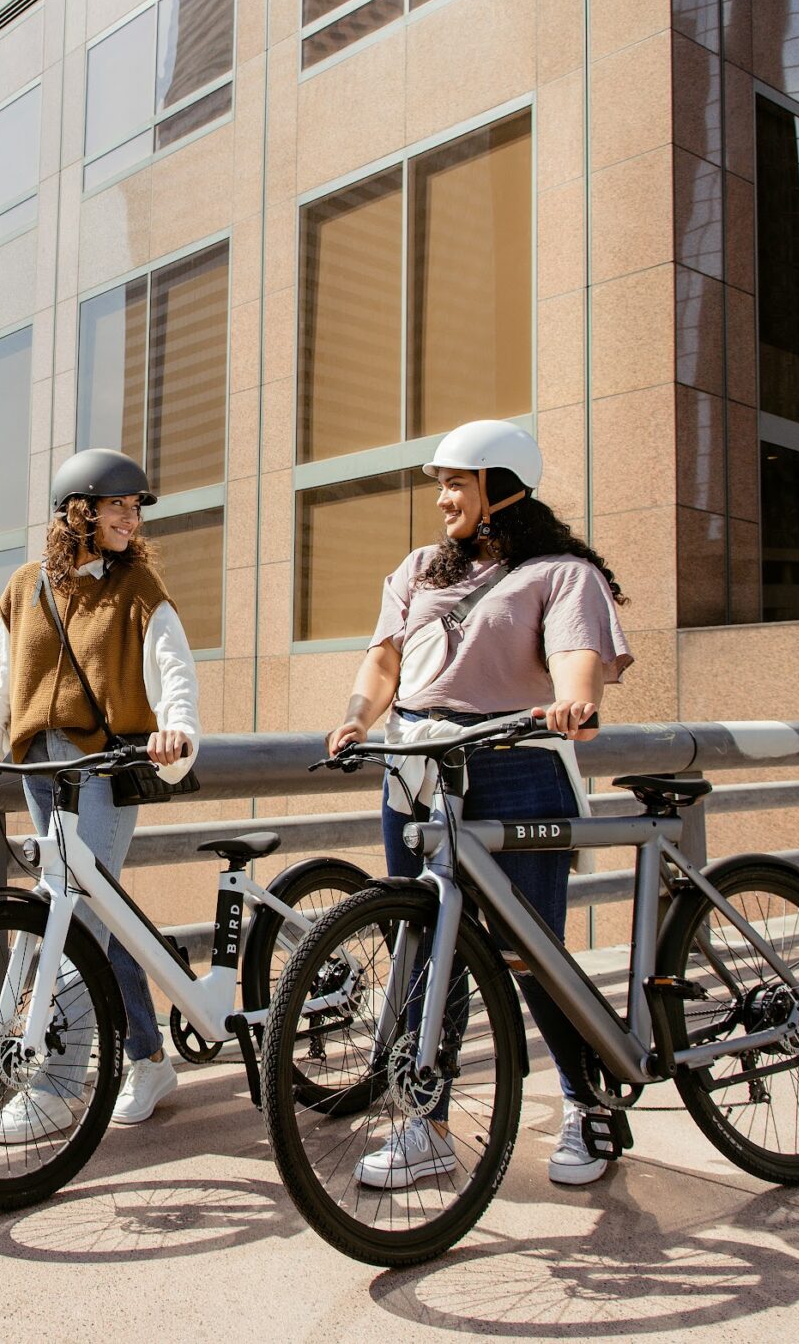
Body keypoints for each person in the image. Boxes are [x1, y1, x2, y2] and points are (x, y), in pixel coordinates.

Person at [324, 419, 633, 1190]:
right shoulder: (420, 569)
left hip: (515, 766)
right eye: (441, 485)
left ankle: (586, 1104)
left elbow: (577, 663)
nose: (444, 500)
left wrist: (572, 703)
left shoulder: (561, 574)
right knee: (423, 946)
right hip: (418, 768)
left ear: (501, 484)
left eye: (457, 483)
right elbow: (385, 657)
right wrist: (359, 719)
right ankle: (425, 1124)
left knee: (535, 953)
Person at [0, 448, 202, 1140]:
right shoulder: (25, 587)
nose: (131, 517)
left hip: (105, 769)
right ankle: (148, 1060)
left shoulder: (137, 586)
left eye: (135, 507)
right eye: (117, 505)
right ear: (77, 512)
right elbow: (4, 675)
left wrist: (178, 728)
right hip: (38, 765)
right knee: (97, 914)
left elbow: (172, 663)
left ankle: (58, 1085)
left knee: (74, 916)